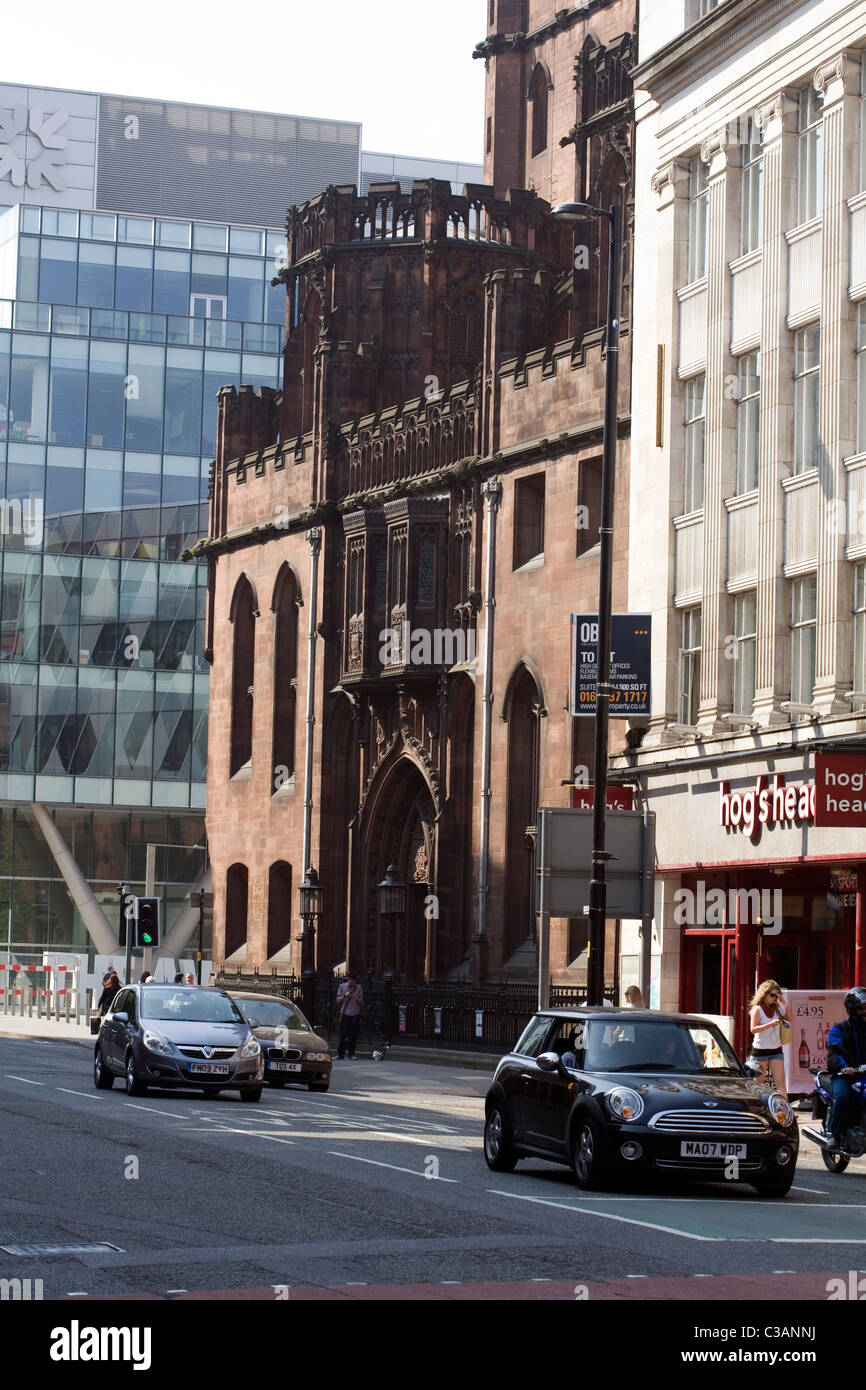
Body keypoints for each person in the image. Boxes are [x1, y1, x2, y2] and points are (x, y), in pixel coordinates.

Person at [825, 986, 866, 1149]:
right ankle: (836, 1135)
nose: (864, 1011)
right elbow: (835, 1050)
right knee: (843, 1097)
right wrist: (844, 1067)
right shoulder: (840, 1029)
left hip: (864, 1075)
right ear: (852, 1010)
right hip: (845, 1076)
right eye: (861, 1008)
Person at [748, 979, 791, 1097]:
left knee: (780, 1084)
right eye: (772, 995)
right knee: (758, 1085)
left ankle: (786, 1113)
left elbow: (791, 1018)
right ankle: (757, 1111)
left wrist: (783, 1001)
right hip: (760, 1050)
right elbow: (753, 1029)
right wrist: (770, 1024)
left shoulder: (777, 1008)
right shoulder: (758, 1009)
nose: (774, 998)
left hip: (776, 1050)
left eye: (777, 996)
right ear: (764, 994)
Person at [336, 973, 363, 1059]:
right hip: (345, 1013)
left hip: (355, 1014)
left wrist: (354, 996)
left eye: (352, 981)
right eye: (349, 980)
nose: (350, 983)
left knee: (353, 1035)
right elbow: (337, 1000)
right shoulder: (342, 986)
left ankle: (352, 1054)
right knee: (342, 1035)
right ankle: (340, 1054)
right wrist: (345, 995)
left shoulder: (359, 988)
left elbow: (361, 1002)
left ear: (355, 981)